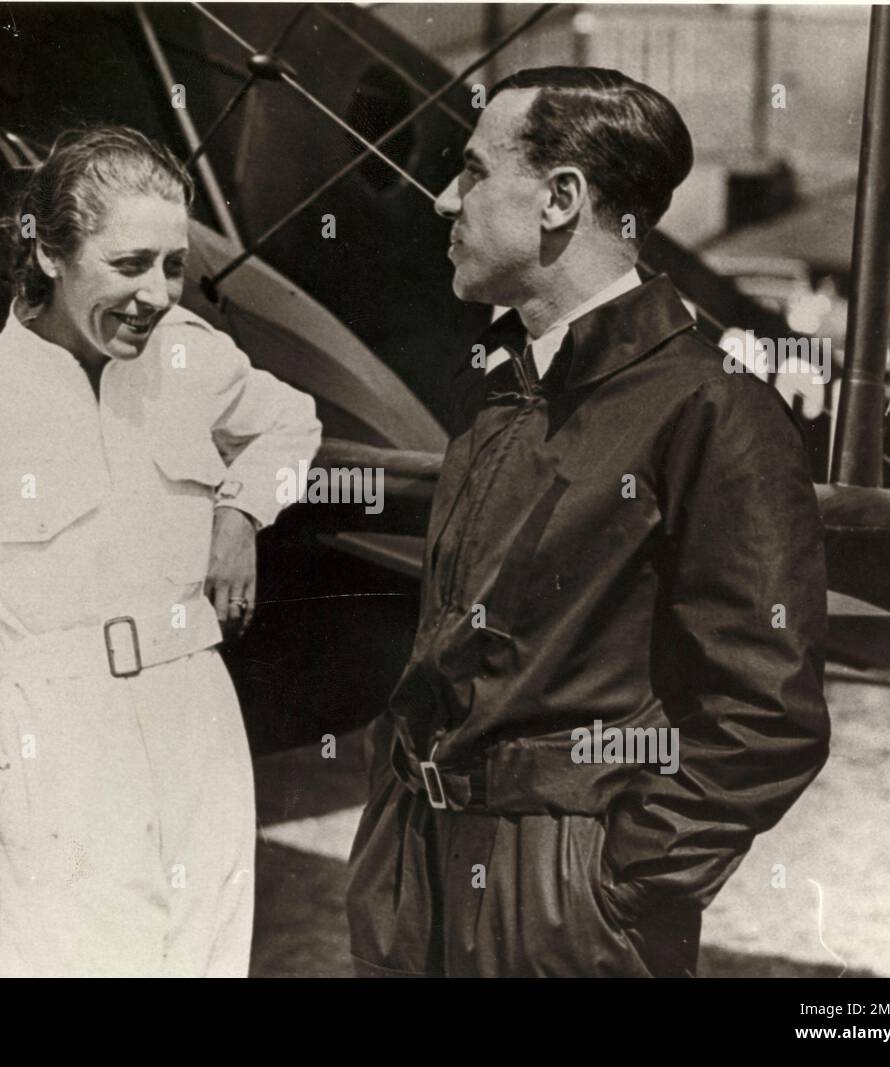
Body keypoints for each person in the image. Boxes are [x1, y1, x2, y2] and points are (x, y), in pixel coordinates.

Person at [346, 67, 830, 977]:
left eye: (475, 170)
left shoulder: (713, 408)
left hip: (563, 910)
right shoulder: (497, 385)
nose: (445, 198)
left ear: (561, 198)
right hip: (419, 873)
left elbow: (768, 713)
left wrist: (612, 885)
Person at [0, 125, 321, 977]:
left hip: (198, 715)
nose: (158, 294)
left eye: (174, 265)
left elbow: (290, 422)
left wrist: (242, 510)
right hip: (56, 742)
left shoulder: (191, 361)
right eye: (129, 264)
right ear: (52, 253)